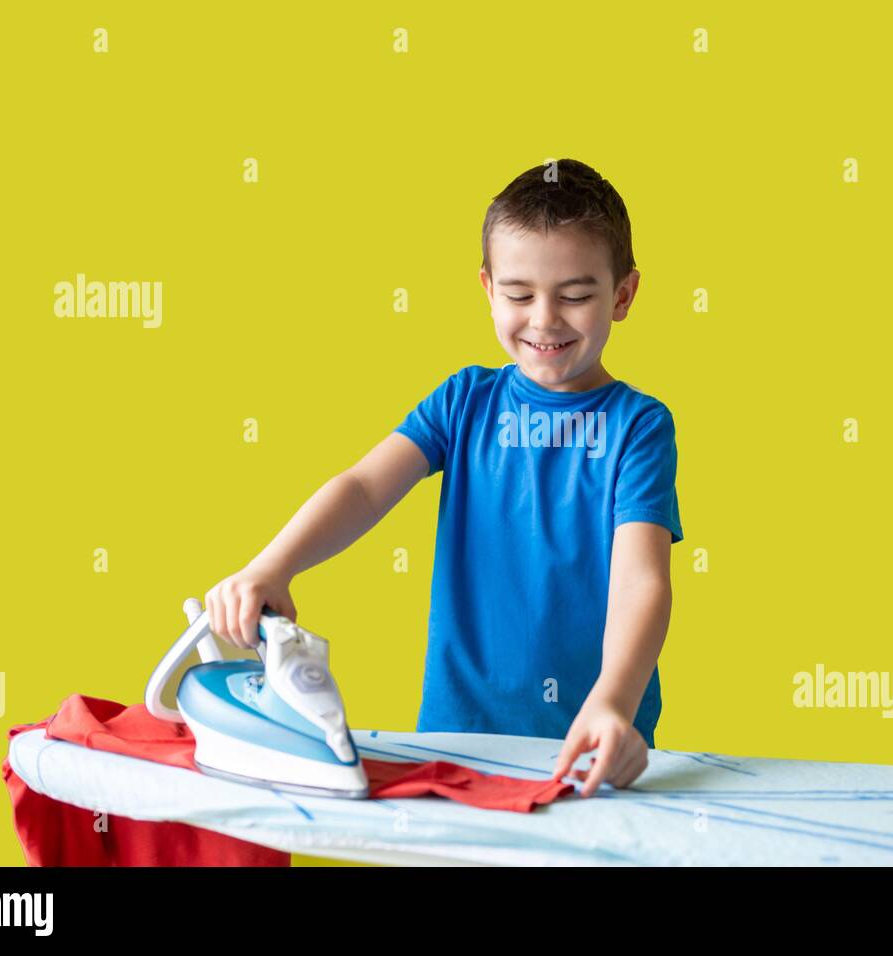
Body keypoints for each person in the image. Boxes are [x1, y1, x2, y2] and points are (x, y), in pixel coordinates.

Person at [206, 158, 682, 797]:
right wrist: (271, 566)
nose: (544, 319)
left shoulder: (639, 426)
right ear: (487, 289)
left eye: (574, 295)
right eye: (519, 295)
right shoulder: (464, 402)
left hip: (593, 749)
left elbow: (641, 580)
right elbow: (364, 487)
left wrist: (614, 702)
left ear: (622, 295)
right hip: (458, 743)